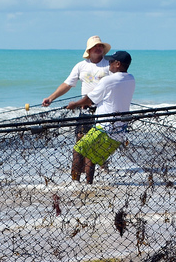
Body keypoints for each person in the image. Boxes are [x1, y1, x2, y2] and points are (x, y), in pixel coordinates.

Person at [43, 36, 111, 181]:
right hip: (85, 111)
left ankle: (93, 177)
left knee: (95, 146)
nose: (99, 48)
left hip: (103, 111)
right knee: (80, 145)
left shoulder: (109, 65)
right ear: (89, 50)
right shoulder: (81, 66)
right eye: (95, 46)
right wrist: (51, 98)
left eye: (100, 46)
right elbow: (67, 84)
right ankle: (76, 181)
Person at [66, 51, 135, 184]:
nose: (108, 63)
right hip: (120, 132)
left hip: (104, 129)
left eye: (111, 61)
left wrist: (74, 104)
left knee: (78, 149)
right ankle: (88, 185)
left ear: (118, 64)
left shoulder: (108, 80)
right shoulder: (131, 78)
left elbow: (89, 99)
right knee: (90, 156)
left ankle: (74, 184)